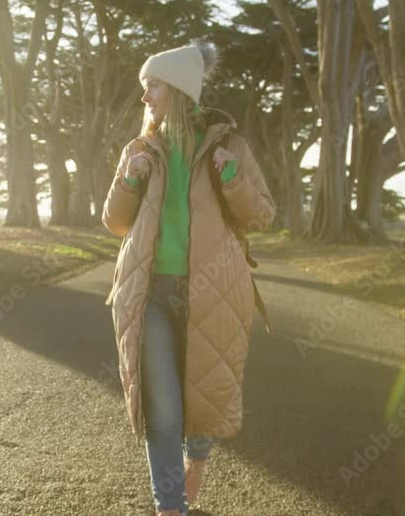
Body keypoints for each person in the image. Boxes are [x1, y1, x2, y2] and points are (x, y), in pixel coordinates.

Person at [102, 41, 276, 516]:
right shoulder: (140, 149)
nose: (145, 98)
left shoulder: (228, 145)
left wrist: (233, 177)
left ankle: (196, 456)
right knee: (162, 410)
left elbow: (261, 215)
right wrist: (129, 180)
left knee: (201, 403)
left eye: (152, 85)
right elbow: (116, 223)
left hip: (213, 295)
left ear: (178, 88)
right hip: (150, 295)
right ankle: (170, 507)